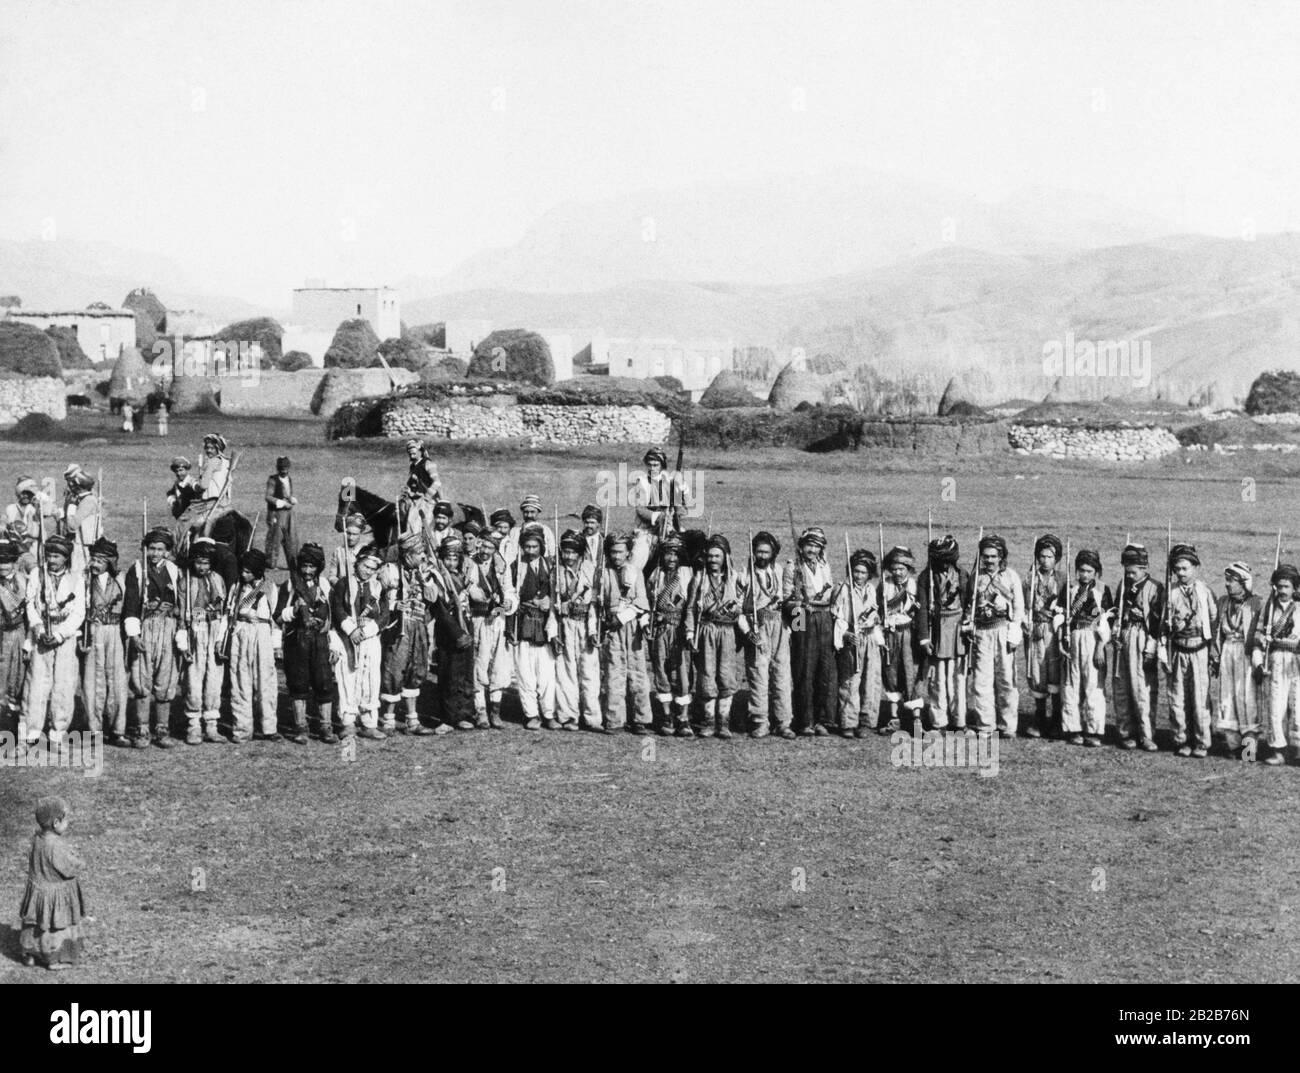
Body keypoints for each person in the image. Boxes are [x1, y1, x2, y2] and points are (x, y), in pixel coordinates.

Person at [378, 532, 445, 736]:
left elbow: (433, 598)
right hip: (397, 627)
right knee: (393, 670)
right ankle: (388, 720)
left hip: (418, 626)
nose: (423, 556)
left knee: (416, 669)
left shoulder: (425, 572)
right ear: (407, 555)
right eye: (419, 553)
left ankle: (412, 720)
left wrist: (426, 580)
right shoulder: (389, 571)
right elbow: (374, 599)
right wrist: (393, 605)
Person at [21, 535, 85, 748]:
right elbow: (30, 604)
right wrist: (38, 628)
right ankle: (31, 733)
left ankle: (58, 733)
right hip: (41, 636)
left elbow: (79, 612)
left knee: (64, 685)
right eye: (49, 554)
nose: (52, 559)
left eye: (57, 555)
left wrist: (60, 634)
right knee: (38, 683)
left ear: (66, 558)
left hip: (64, 636)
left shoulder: (76, 578)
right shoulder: (37, 575)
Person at [122, 528, 182, 749]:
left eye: (160, 549)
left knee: (165, 679)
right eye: (151, 548)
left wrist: (176, 613)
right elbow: (130, 604)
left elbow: (181, 602)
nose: (155, 553)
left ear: (167, 551)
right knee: (141, 679)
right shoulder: (137, 570)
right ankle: (142, 729)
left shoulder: (175, 571)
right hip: (145, 626)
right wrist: (134, 633)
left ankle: (162, 730)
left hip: (167, 628)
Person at [274, 543, 336, 745]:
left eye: (312, 567)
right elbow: (277, 616)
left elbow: (333, 620)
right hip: (297, 640)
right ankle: (301, 727)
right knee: (298, 683)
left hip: (319, 641)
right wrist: (293, 610)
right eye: (305, 566)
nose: (308, 571)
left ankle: (325, 727)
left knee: (324, 682)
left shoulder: (325, 586)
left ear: (319, 567)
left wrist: (333, 644)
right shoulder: (290, 586)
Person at [964, 533, 1024, 740]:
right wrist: (969, 625)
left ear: (1001, 557)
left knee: (1006, 679)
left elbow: (1018, 608)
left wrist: (1015, 631)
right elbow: (969, 606)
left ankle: (1008, 725)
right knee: (982, 681)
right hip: (982, 633)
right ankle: (985, 725)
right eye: (985, 556)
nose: (989, 560)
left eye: (993, 556)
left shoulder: (1011, 576)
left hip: (1003, 631)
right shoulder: (976, 577)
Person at [18, 797, 87, 972]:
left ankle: (30, 953)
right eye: (66, 819)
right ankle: (53, 959)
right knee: (55, 926)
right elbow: (67, 868)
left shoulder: (37, 839)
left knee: (37, 924)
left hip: (39, 889)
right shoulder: (55, 845)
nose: (68, 823)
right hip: (55, 893)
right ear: (56, 822)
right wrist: (79, 863)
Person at [685, 534, 743, 739]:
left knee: (726, 675)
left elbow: (742, 606)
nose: (713, 560)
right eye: (710, 556)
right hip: (706, 630)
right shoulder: (699, 579)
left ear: (725, 557)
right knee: (707, 674)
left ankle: (724, 722)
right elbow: (691, 608)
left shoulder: (735, 578)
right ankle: (708, 722)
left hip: (727, 632)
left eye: (717, 556)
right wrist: (691, 633)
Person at [1162, 543, 1217, 758]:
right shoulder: (1171, 593)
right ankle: (1181, 740)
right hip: (1178, 651)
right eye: (1177, 569)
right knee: (1178, 697)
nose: (1181, 573)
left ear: (1195, 567)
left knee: (1200, 697)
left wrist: (1212, 650)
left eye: (1185, 568)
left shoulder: (1205, 591)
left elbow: (1214, 620)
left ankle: (1202, 741)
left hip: (1200, 651)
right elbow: (1162, 628)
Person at [330, 543, 390, 741]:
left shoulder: (378, 586)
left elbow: (385, 614)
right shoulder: (343, 584)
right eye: (365, 566)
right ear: (357, 563)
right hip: (348, 636)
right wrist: (351, 629)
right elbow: (337, 608)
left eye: (373, 569)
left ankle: (369, 723)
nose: (368, 571)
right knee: (349, 675)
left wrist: (368, 631)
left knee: (371, 677)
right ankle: (347, 722)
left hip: (370, 637)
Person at [737, 532, 793, 739]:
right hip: (757, 627)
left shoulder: (779, 571)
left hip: (779, 626)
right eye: (759, 551)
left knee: (782, 675)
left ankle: (783, 722)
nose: (762, 555)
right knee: (758, 675)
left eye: (766, 552)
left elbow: (790, 601)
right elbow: (738, 609)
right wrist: (749, 632)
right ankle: (760, 721)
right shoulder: (745, 574)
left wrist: (794, 628)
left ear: (773, 554)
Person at [784, 527, 839, 736]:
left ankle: (823, 720)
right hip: (801, 617)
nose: (812, 550)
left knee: (825, 667)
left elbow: (831, 592)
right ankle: (804, 720)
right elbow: (785, 598)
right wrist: (798, 605)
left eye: (816, 546)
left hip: (824, 617)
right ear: (802, 546)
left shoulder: (825, 566)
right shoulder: (792, 568)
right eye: (809, 545)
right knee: (803, 665)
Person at [597, 532, 652, 733]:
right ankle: (614, 719)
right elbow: (599, 601)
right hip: (611, 629)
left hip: (632, 627)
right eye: (613, 552)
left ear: (628, 552)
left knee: (637, 672)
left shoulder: (636, 571)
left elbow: (641, 602)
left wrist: (622, 617)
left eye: (621, 552)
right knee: (614, 672)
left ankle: (640, 719)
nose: (617, 556)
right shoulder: (603, 573)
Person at [1112, 543, 1164, 752]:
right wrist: (1116, 629)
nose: (1130, 575)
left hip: (1143, 639)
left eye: (1133, 572)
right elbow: (1115, 611)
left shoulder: (1155, 587)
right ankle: (1126, 733)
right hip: (1124, 638)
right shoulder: (1122, 585)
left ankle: (1147, 735)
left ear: (1144, 568)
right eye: (1127, 571)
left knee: (1143, 688)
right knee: (1122, 686)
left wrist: (1151, 642)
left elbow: (1159, 619)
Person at [506, 525, 559, 729]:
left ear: (541, 546)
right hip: (523, 624)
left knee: (546, 675)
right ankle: (531, 714)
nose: (530, 550)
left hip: (545, 626)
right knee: (525, 674)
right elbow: (508, 596)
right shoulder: (515, 568)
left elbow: (558, 593)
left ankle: (548, 713)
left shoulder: (551, 567)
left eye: (534, 546)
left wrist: (549, 601)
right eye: (526, 546)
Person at [1060, 548, 1113, 748]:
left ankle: (1093, 730)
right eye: (1081, 570)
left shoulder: (1102, 589)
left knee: (1094, 685)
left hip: (1093, 638)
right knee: (1071, 685)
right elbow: (1061, 614)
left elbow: (1107, 620)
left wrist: (1101, 645)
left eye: (1089, 571)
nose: (1084, 575)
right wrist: (1062, 638)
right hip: (1073, 637)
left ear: (1096, 572)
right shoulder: (1070, 588)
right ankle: (1074, 728)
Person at [225, 548, 280, 743]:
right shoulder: (236, 588)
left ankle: (268, 727)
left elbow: (275, 618)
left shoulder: (269, 588)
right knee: (241, 680)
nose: (243, 574)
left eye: (248, 571)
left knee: (266, 680)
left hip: (262, 633)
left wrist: (276, 644)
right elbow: (229, 614)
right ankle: (242, 729)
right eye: (243, 570)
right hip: (241, 632)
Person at [917, 534, 970, 734]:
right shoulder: (926, 577)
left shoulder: (963, 575)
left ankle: (959, 722)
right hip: (937, 630)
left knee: (958, 679)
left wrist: (968, 624)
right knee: (938, 680)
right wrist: (924, 637)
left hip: (958, 632)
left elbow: (968, 603)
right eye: (940, 561)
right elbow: (921, 609)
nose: (944, 565)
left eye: (947, 561)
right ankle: (939, 721)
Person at [464, 527, 516, 729]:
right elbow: (464, 587)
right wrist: (473, 591)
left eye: (491, 547)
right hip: (477, 619)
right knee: (479, 664)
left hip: (498, 620)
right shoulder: (470, 563)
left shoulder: (502, 566)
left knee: (499, 666)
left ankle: (496, 712)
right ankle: (481, 712)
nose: (486, 550)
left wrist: (508, 604)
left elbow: (510, 590)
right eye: (483, 545)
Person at [79, 537, 128, 746]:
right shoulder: (83, 581)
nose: (95, 564)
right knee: (92, 680)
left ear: (110, 561)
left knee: (116, 680)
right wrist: (82, 635)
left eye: (100, 560)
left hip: (115, 631)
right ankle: (93, 729)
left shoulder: (122, 580)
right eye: (93, 559)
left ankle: (118, 729)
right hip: (93, 631)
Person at [1211, 561, 1263, 759]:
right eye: (1227, 580)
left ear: (1243, 582)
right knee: (1227, 697)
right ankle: (1233, 746)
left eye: (1231, 581)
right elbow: (1217, 631)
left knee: (1247, 698)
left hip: (1246, 654)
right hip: (1227, 653)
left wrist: (1259, 660)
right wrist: (1215, 657)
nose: (1227, 584)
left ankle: (1249, 750)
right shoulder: (1223, 602)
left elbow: (1262, 632)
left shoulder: (1256, 603)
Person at [179, 538, 227, 745]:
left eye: (206, 563)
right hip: (196, 625)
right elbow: (182, 615)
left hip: (215, 627)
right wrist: (184, 642)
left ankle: (211, 725)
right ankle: (193, 725)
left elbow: (223, 610)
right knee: (194, 677)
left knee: (214, 678)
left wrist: (220, 638)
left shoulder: (217, 579)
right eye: (199, 562)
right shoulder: (186, 581)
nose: (202, 567)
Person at [554, 528, 602, 731]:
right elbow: (553, 603)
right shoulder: (556, 572)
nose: (569, 556)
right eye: (565, 551)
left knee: (589, 672)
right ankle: (569, 716)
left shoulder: (591, 570)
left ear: (581, 553)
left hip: (586, 624)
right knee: (566, 672)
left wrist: (593, 631)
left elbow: (594, 606)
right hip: (565, 624)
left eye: (574, 552)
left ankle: (592, 718)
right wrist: (554, 631)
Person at [1252, 563, 1300, 766]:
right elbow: (1258, 634)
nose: (1282, 591)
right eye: (1279, 586)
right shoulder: (1269, 608)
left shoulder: (1299, 610)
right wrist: (1260, 650)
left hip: (1297, 663)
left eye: (1287, 587)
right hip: (1275, 663)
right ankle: (1278, 750)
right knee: (1276, 706)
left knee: (1298, 706)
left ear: (1295, 588)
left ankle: (1298, 749)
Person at [833, 548, 885, 738]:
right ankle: (848, 722)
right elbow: (837, 618)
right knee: (850, 681)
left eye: (863, 572)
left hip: (870, 639)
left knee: (871, 681)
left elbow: (875, 613)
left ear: (870, 574)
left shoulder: (871, 589)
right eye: (856, 571)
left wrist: (877, 626)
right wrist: (845, 635)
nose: (859, 576)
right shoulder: (843, 590)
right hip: (852, 640)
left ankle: (866, 722)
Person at [647, 532, 693, 736]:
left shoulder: (687, 574)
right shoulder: (655, 575)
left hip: (680, 628)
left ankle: (683, 717)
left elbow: (691, 603)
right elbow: (649, 603)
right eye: (668, 554)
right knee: (660, 669)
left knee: (682, 671)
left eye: (675, 554)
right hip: (659, 629)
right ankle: (667, 715)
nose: (671, 559)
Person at [428, 535, 476, 730]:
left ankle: (464, 714)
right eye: (448, 558)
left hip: (466, 625)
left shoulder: (464, 576)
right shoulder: (436, 577)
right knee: (448, 673)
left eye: (455, 558)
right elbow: (439, 608)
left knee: (465, 673)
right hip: (448, 630)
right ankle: (448, 718)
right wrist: (457, 633)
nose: (451, 562)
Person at [1022, 534, 1066, 738]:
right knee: (1037, 670)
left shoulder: (1062, 579)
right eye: (1041, 556)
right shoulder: (1030, 579)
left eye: (1049, 556)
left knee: (1055, 671)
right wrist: (1027, 621)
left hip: (1055, 631)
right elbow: (1023, 605)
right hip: (1036, 630)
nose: (1045, 560)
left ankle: (1057, 719)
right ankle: (1039, 718)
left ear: (1056, 559)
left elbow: (1067, 606)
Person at [878, 545, 923, 736]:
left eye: (901, 569)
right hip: (890, 633)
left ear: (908, 569)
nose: (897, 572)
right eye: (894, 568)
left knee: (911, 671)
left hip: (909, 634)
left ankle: (916, 719)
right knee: (891, 672)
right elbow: (879, 609)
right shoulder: (884, 584)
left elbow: (921, 611)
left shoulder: (914, 585)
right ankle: (894, 718)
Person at [0, 539, 29, 737]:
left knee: (17, 676)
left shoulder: (23, 580)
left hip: (18, 632)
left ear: (14, 562)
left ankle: (12, 727)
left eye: (7, 561)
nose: (3, 566)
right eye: (0, 561)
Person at [60, 466, 99, 574]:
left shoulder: (88, 501)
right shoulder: (81, 498)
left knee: (79, 574)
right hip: (76, 544)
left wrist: (71, 506)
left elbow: (72, 526)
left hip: (82, 546)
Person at [264, 455, 298, 570]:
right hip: (277, 513)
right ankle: (271, 563)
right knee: (275, 537)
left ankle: (293, 563)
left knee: (291, 537)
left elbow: (287, 494)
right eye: (282, 468)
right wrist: (282, 503)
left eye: (286, 468)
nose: (284, 470)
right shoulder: (273, 480)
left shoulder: (289, 479)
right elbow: (268, 497)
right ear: (278, 468)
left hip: (288, 513)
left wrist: (291, 499)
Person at [501, 495, 556, 562]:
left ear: (538, 512)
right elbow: (509, 554)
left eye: (532, 512)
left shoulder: (546, 531)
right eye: (526, 512)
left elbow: (552, 554)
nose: (529, 515)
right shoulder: (514, 531)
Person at [329, 511, 372, 582]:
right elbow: (332, 576)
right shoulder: (338, 551)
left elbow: (372, 576)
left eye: (355, 534)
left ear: (360, 533)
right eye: (348, 533)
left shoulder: (366, 550)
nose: (351, 538)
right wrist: (341, 585)